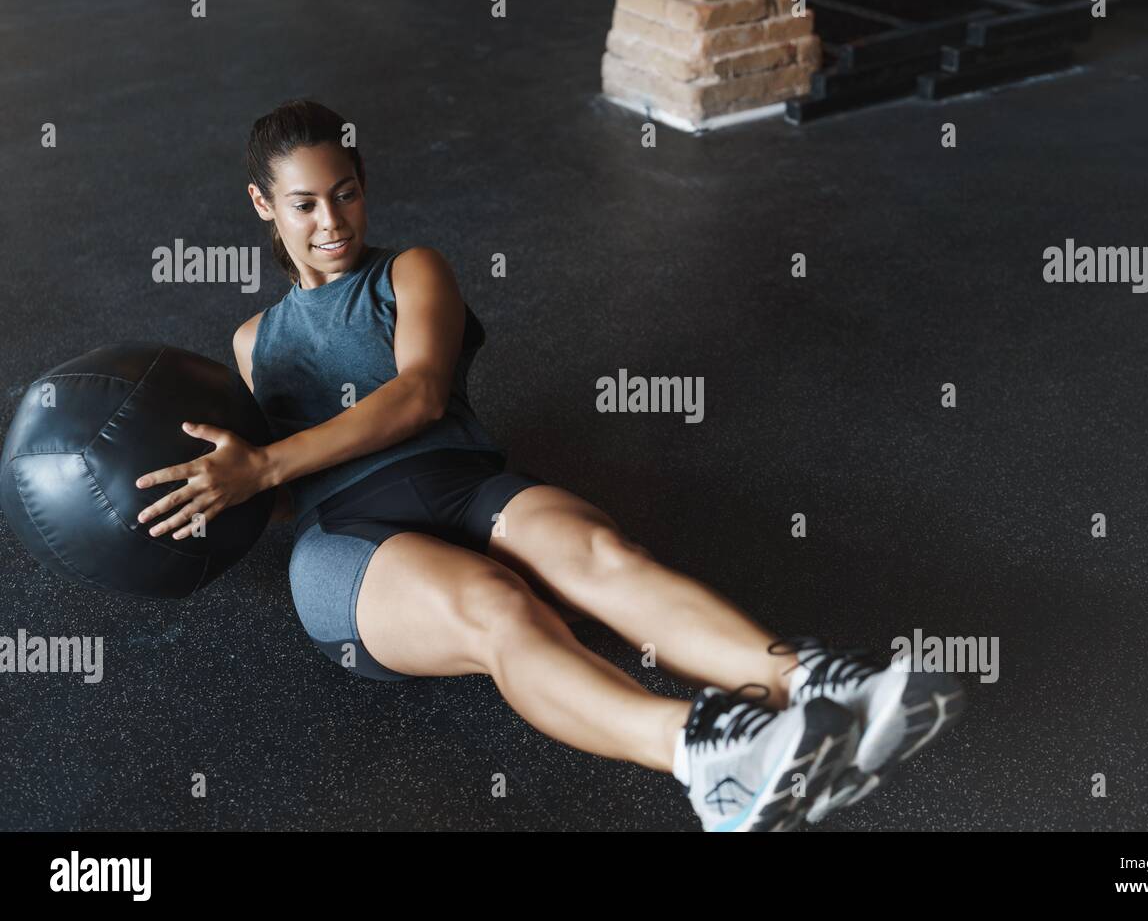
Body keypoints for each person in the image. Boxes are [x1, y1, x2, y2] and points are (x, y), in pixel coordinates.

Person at [132, 98, 965, 831]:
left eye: (346, 192)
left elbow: (420, 393)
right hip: (346, 543)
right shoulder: (251, 343)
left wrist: (266, 464)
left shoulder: (411, 271)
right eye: (305, 203)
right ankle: (713, 756)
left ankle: (812, 686)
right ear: (262, 205)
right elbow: (275, 491)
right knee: (503, 608)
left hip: (462, 482)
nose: (332, 222)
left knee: (602, 554)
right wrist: (217, 494)